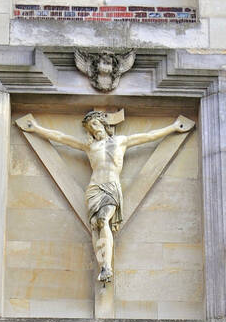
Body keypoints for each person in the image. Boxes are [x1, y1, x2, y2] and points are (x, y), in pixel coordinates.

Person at [17, 108, 194, 285]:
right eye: (89, 128)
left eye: (94, 124)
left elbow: (149, 136)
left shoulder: (120, 141)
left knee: (103, 219)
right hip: (94, 188)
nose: (93, 129)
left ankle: (107, 265)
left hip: (111, 186)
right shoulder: (89, 146)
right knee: (96, 225)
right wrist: (37, 129)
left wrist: (172, 127)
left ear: (103, 123)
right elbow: (61, 137)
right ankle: (103, 265)